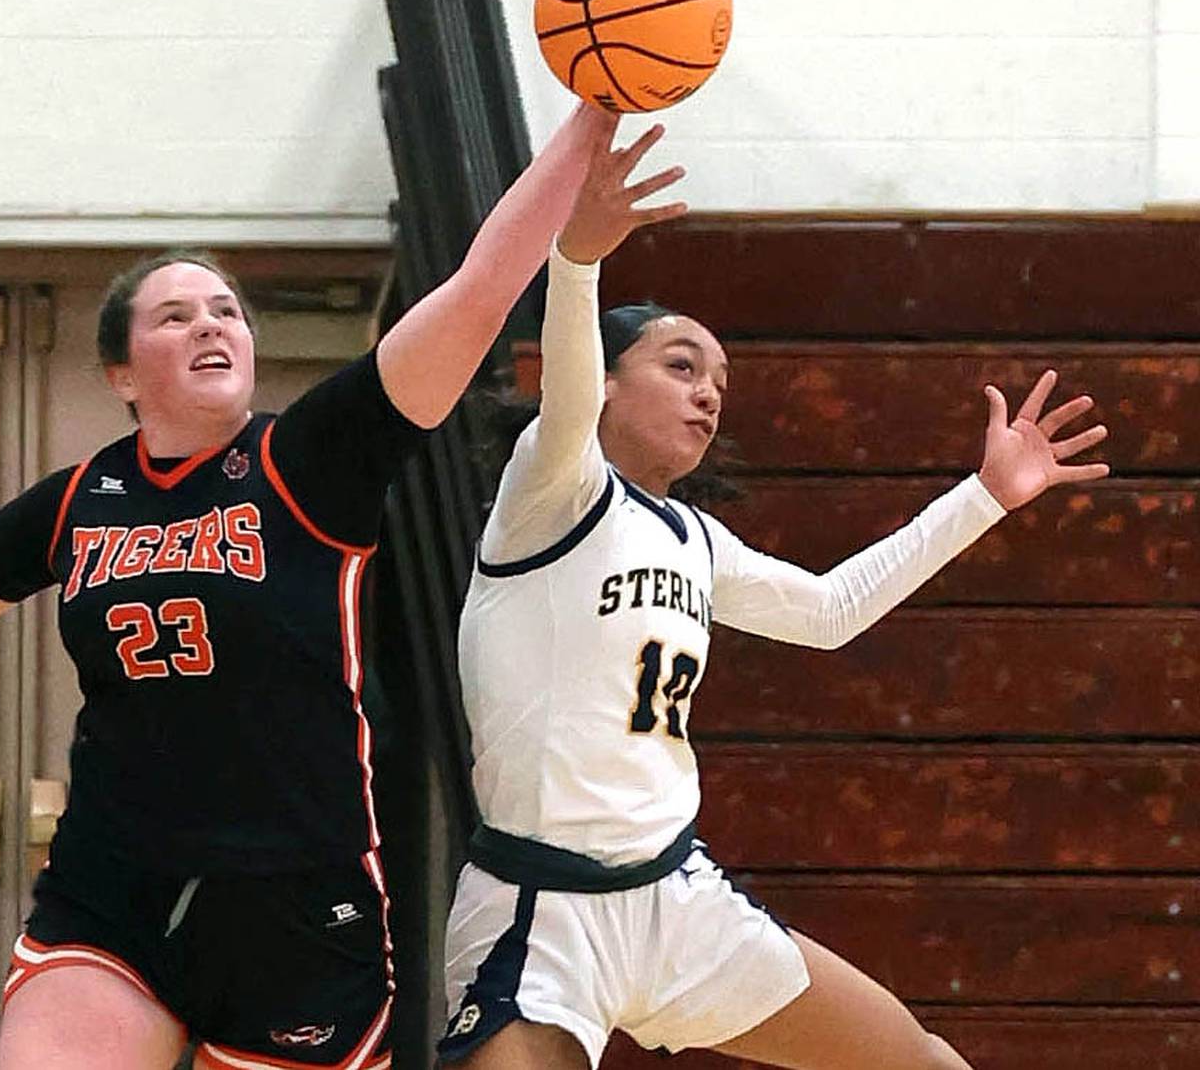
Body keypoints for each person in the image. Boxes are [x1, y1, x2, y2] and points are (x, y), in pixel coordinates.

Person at [0, 108, 687, 1070]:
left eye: (227, 310)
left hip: (295, 903)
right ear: (121, 371)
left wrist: (589, 115)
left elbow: (469, 297)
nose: (211, 325)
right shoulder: (77, 502)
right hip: (113, 896)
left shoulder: (310, 460)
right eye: (175, 314)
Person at [437, 134, 1111, 1070]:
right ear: (607, 379)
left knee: (926, 1062)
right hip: (539, 909)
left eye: (720, 382)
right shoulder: (551, 491)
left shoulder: (695, 539)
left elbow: (834, 609)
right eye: (680, 366)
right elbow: (567, 383)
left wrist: (984, 497)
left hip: (677, 896)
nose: (710, 394)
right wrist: (577, 256)